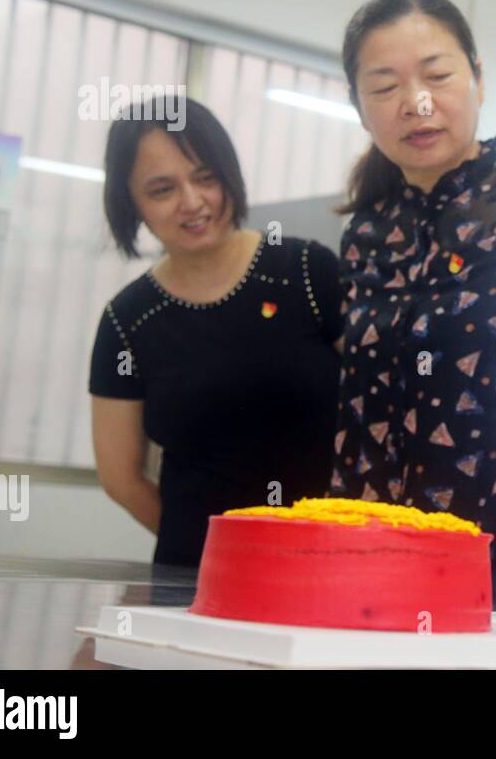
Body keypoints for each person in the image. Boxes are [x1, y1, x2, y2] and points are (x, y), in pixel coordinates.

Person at [329, 0, 496, 606]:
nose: (417, 104)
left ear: (478, 80)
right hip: (368, 548)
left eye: (438, 76)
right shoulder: (366, 231)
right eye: (384, 87)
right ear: (361, 110)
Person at [89, 96, 342, 567]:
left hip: (325, 565)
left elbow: (376, 412)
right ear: (132, 202)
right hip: (197, 578)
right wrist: (214, 551)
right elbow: (120, 479)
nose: (192, 202)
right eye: (162, 189)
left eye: (205, 178)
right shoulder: (128, 320)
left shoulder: (308, 273)